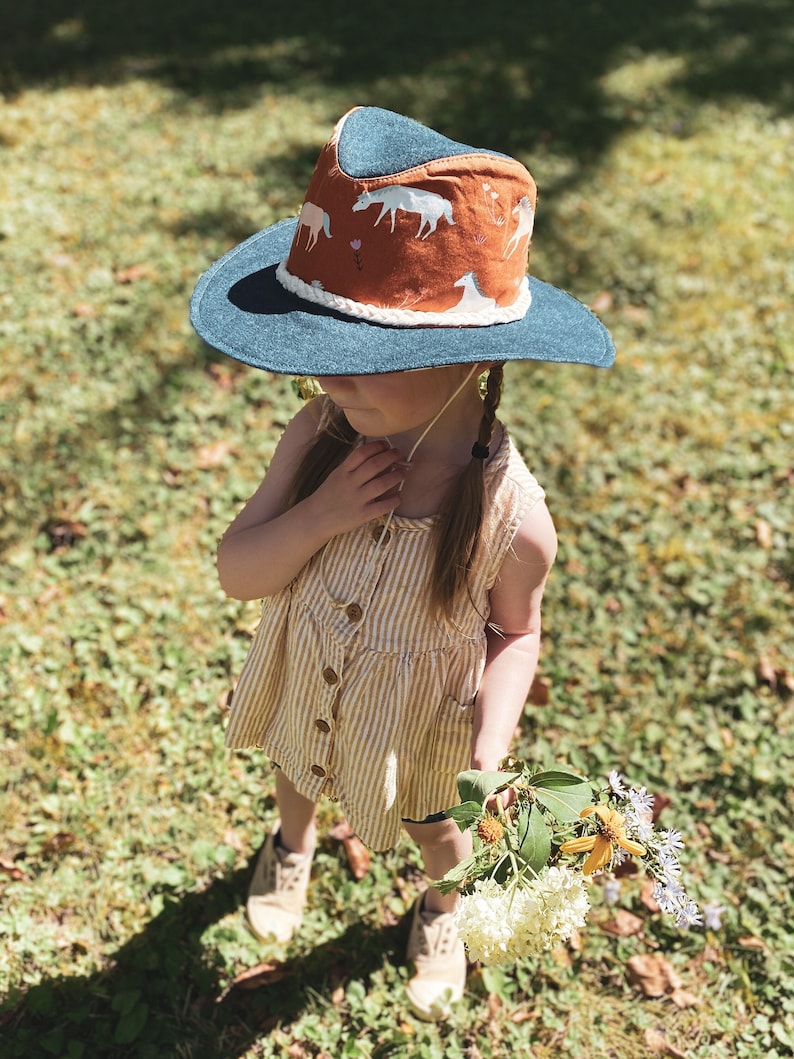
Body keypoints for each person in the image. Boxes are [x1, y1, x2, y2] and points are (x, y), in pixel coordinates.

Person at [190, 106, 614, 1021]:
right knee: (298, 770)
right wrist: (318, 515)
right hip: (310, 676)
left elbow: (518, 629)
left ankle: (442, 907)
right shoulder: (317, 438)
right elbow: (239, 570)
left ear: (465, 355)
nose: (325, 377)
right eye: (320, 349)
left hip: (423, 726)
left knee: (436, 830)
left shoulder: (511, 512)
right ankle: (290, 848)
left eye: (359, 356)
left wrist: (489, 746)